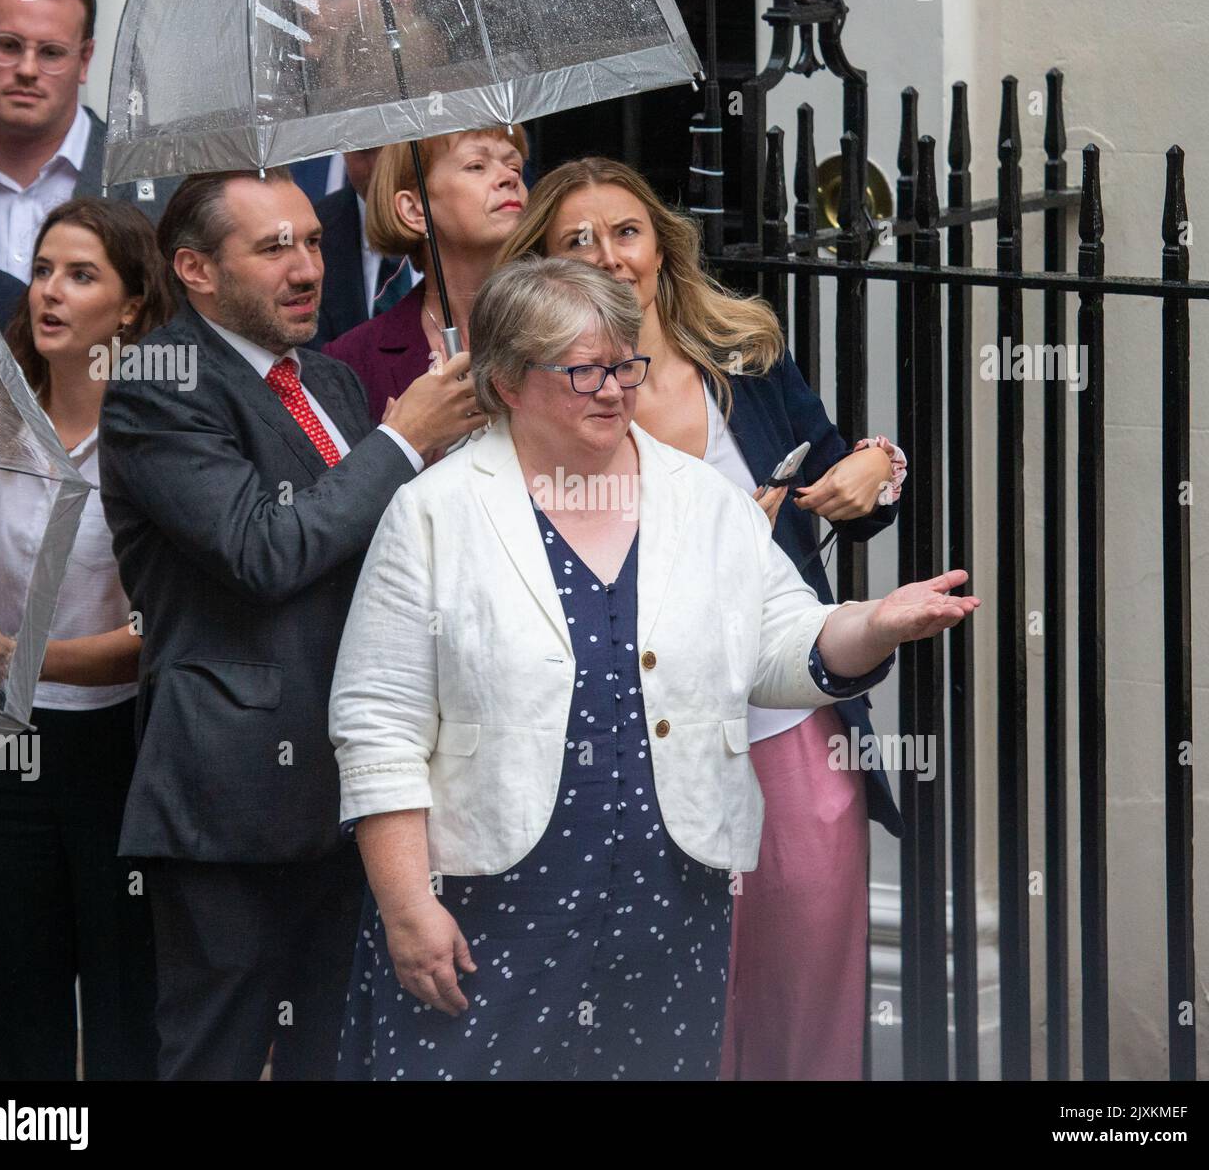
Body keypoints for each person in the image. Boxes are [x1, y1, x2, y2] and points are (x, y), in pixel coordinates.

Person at [329, 256, 979, 1081]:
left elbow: (783, 641)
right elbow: (377, 722)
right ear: (506, 382)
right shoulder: (433, 511)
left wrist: (873, 625)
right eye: (583, 369)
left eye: (624, 364)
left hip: (667, 901)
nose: (613, 388)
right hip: (487, 903)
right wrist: (406, 905)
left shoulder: (698, 499)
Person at [499, 156, 906, 1078]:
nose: (608, 254)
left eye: (626, 231)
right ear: (544, 266)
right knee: (680, 1005)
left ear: (660, 244)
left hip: (789, 719)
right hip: (642, 740)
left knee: (809, 988)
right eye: (578, 240)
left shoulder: (745, 353)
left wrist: (876, 468)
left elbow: (847, 481)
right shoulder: (547, 397)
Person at [97, 167, 486, 1081]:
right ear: (194, 268)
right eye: (274, 247)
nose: (306, 266)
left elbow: (376, 547)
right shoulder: (161, 385)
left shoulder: (330, 383)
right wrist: (401, 441)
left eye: (312, 241)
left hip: (355, 784)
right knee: (219, 1054)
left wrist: (440, 456)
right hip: (232, 796)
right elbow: (263, 549)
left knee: (335, 1052)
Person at [0, 198, 177, 1080]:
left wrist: (25, 654)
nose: (49, 291)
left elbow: (157, 632)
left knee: (124, 1003)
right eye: (42, 269)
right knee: (16, 1001)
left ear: (130, 307)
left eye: (81, 275)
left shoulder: (152, 437)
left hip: (116, 745)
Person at [0, 0, 177, 280]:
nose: (28, 69)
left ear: (85, 60)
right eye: (8, 45)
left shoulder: (162, 192)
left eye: (51, 53)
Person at [323, 125, 528, 423]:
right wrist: (406, 449)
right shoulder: (352, 361)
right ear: (414, 209)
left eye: (514, 165)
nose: (509, 177)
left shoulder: (573, 322)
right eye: (477, 166)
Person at [311, 148, 418, 348]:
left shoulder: (473, 225)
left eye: (399, 143)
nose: (385, 165)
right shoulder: (309, 237)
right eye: (368, 149)